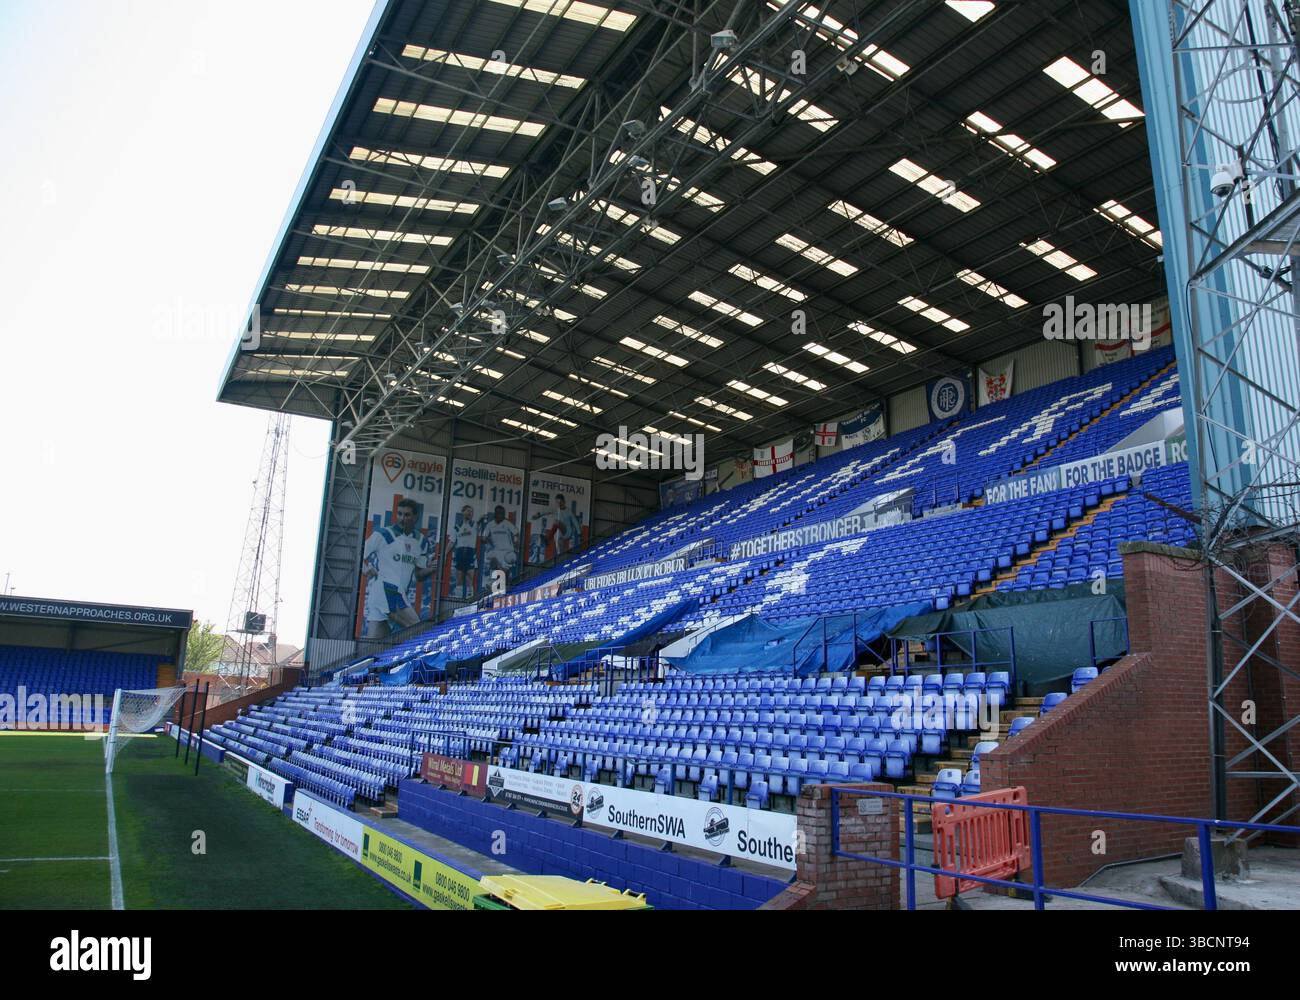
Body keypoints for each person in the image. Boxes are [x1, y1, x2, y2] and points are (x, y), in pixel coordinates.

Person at [361, 499, 436, 638]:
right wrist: (366, 568)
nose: (402, 518)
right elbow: (359, 553)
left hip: (397, 594)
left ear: (415, 517)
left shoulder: (421, 541)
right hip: (386, 590)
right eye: (400, 514)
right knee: (417, 629)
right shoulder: (383, 534)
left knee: (375, 649)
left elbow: (419, 575)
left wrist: (432, 569)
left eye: (407, 515)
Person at [480, 505, 519, 591]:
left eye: (502, 514)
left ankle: (501, 583)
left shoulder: (507, 523)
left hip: (508, 551)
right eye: (499, 513)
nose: (501, 515)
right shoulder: (490, 525)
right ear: (496, 514)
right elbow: (483, 537)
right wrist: (486, 540)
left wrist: (516, 543)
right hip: (497, 550)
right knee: (492, 562)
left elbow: (516, 533)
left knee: (504, 568)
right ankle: (494, 584)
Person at [452, 504, 478, 599]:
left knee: (470, 578)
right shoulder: (457, 527)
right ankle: (457, 599)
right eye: (468, 511)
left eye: (471, 511)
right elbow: (452, 541)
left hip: (470, 552)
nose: (470, 513)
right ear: (463, 512)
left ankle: (469, 600)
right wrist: (445, 554)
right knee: (459, 578)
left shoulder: (475, 525)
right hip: (460, 552)